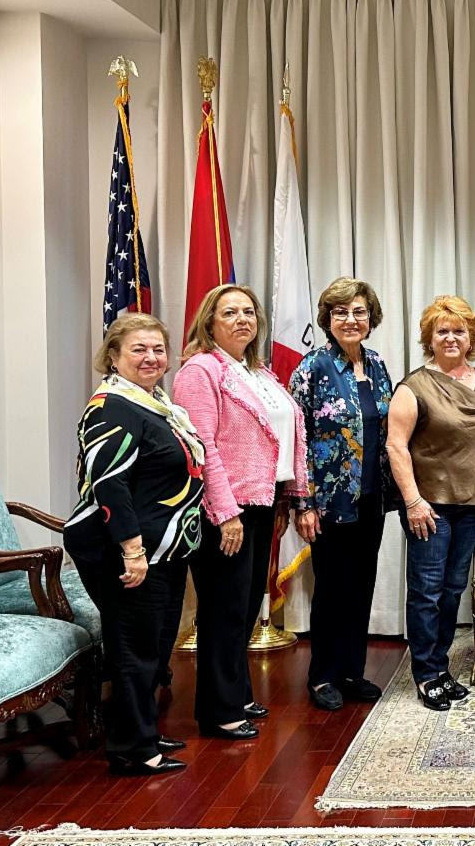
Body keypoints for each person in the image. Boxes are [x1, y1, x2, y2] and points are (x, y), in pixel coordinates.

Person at [65, 314, 204, 776]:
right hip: (126, 551)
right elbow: (110, 485)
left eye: (158, 350)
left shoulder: (154, 403)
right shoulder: (111, 407)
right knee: (134, 647)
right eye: (139, 350)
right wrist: (132, 550)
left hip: (163, 547)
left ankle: (142, 729)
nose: (152, 358)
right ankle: (131, 749)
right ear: (114, 357)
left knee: (156, 644)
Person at [173, 284, 308, 740]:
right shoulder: (200, 370)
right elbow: (201, 444)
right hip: (226, 507)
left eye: (248, 312)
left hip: (262, 501)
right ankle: (218, 710)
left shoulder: (258, 372)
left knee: (247, 606)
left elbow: (283, 436)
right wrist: (224, 512)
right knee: (224, 609)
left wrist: (288, 496)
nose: (241, 320)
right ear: (209, 321)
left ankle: (237, 692)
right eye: (229, 312)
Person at [387, 296, 475, 711]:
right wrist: (414, 502)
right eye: (442, 331)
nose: (451, 337)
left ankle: (440, 667)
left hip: (471, 504)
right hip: (428, 506)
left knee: (454, 588)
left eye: (459, 331)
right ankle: (425, 674)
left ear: (471, 337)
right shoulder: (414, 385)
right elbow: (396, 446)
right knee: (427, 590)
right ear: (430, 338)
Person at [288, 278, 394, 712]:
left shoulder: (379, 364)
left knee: (361, 585)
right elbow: (298, 440)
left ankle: (351, 671)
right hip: (329, 500)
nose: (351, 320)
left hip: (372, 497)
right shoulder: (311, 368)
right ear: (327, 319)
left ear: (371, 319)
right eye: (341, 313)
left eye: (359, 312)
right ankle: (322, 676)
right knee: (331, 588)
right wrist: (303, 502)